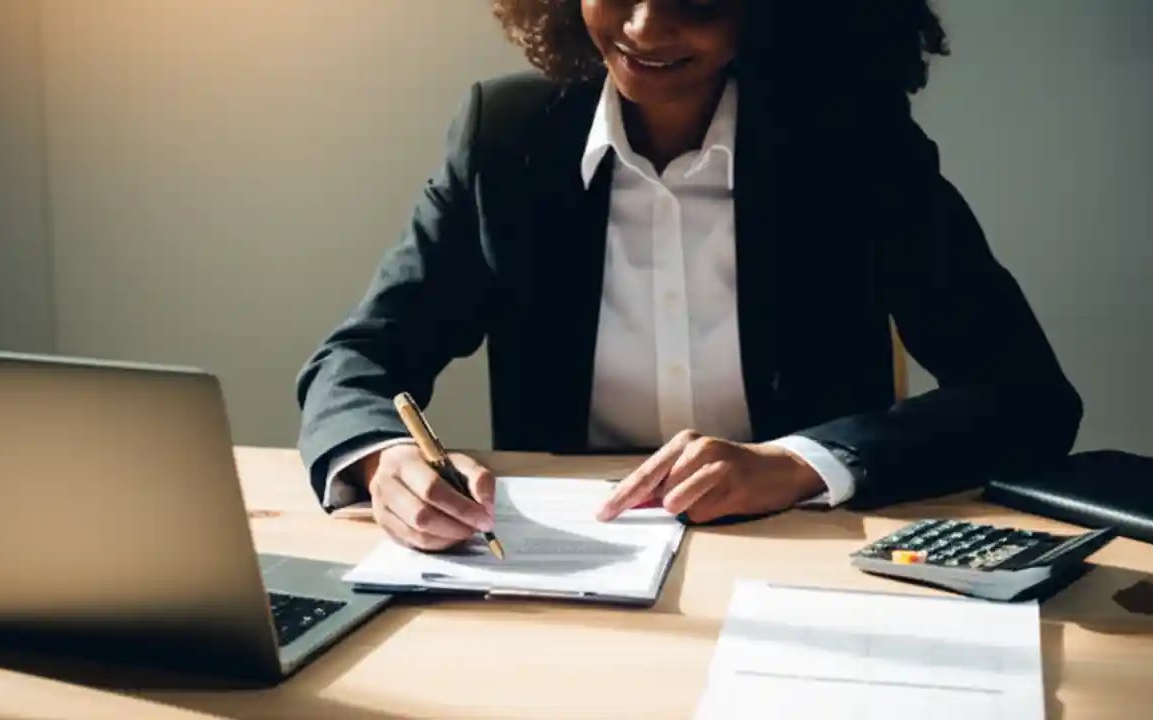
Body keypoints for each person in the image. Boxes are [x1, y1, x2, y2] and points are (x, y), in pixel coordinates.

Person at [295, 0, 1083, 552]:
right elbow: (355, 363)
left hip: (803, 558)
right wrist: (382, 457)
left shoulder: (855, 148)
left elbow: (1028, 398)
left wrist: (799, 464)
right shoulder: (504, 143)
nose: (643, 25)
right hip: (572, 573)